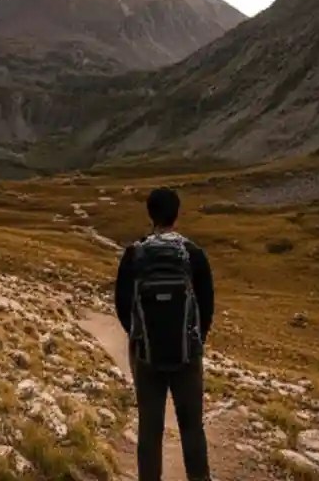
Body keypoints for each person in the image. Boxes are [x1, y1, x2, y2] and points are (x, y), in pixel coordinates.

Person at [114, 188, 215, 481]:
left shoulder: (135, 253)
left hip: (147, 356)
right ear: (177, 214)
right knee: (192, 427)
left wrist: (139, 336)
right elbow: (206, 304)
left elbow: (122, 304)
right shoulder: (193, 254)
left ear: (150, 214)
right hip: (187, 355)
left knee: (150, 429)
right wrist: (195, 339)